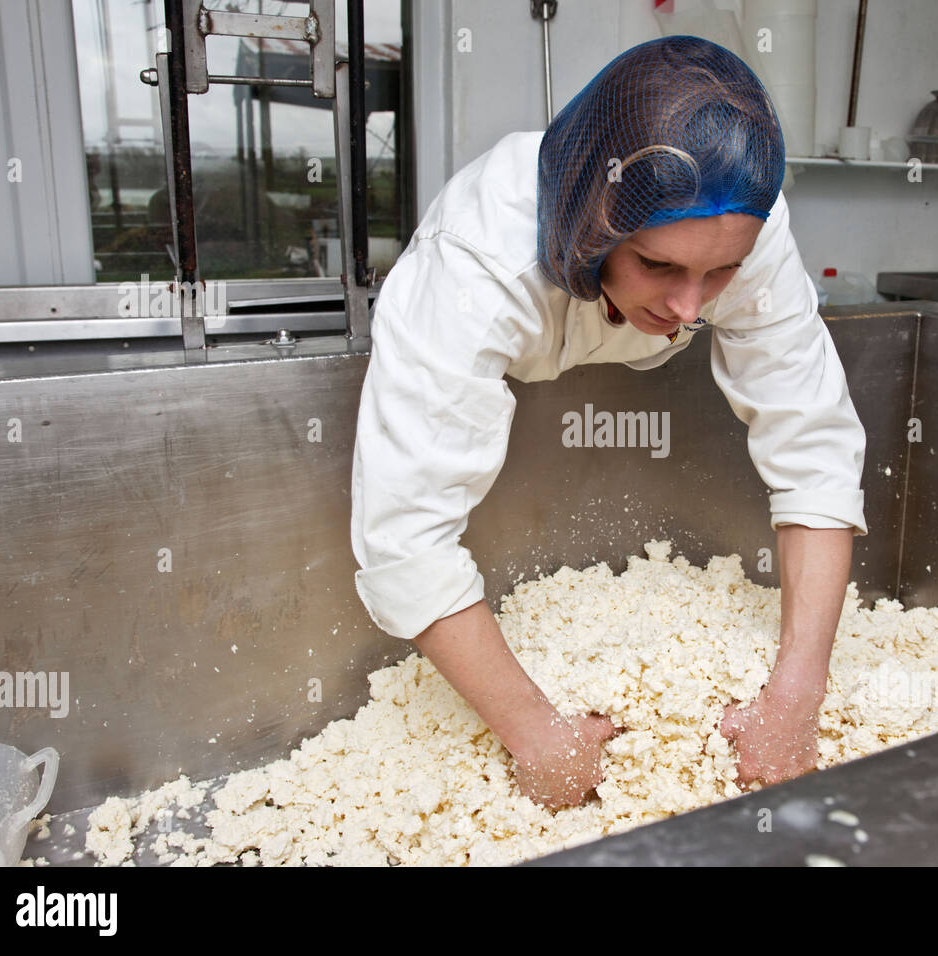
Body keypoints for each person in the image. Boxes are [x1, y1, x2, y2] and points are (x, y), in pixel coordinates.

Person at [350, 36, 866, 810]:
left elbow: (815, 444)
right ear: (592, 228)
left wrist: (795, 699)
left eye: (719, 273)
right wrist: (539, 738)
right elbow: (404, 541)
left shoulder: (739, 225)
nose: (693, 307)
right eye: (659, 266)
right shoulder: (474, 267)